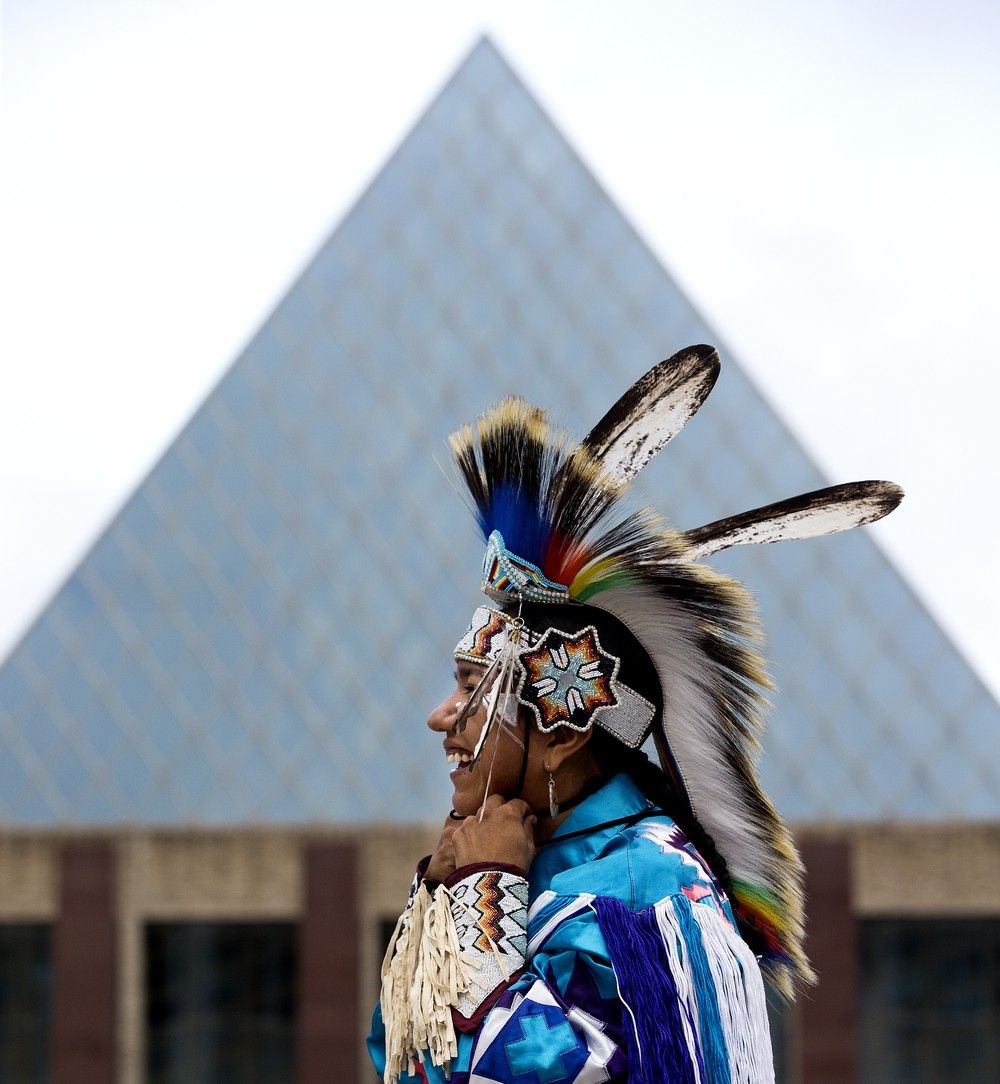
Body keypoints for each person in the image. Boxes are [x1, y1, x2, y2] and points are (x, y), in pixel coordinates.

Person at [368, 346, 902, 1084]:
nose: (442, 717)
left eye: (471, 687)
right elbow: (401, 1056)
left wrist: (481, 891)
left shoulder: (647, 890)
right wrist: (455, 887)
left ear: (561, 731)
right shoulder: (549, 860)